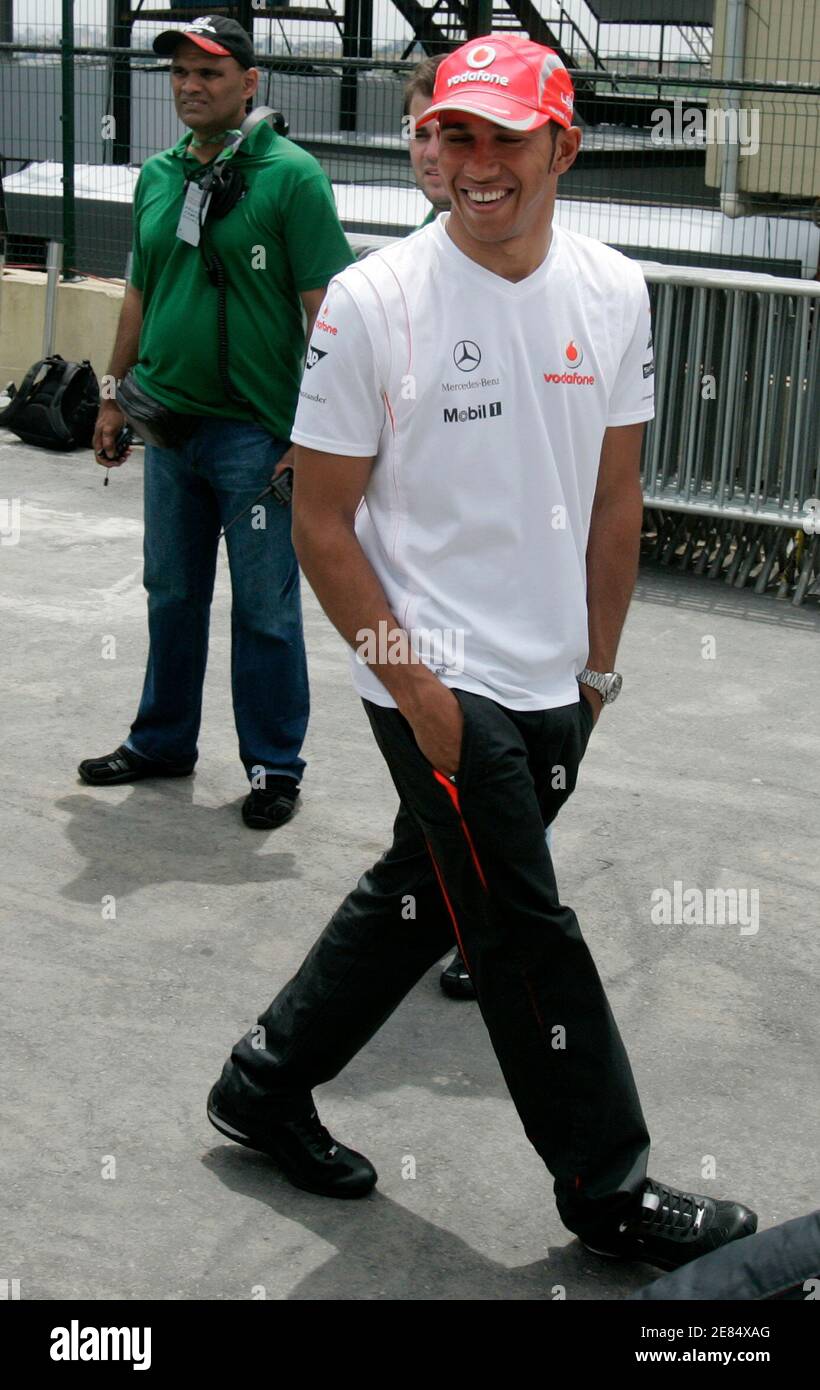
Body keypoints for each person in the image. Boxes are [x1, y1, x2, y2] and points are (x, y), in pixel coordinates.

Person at [207, 35, 757, 1270]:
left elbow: (616, 502)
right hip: (434, 676)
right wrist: (422, 695)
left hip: (559, 676)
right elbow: (319, 522)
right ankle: (608, 1190)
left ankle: (263, 1079)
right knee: (521, 927)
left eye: (504, 135)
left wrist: (599, 667)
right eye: (455, 134)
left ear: (562, 145)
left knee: (422, 895)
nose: (475, 162)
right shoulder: (376, 301)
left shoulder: (615, 290)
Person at [79, 16, 353, 829]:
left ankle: (274, 765)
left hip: (256, 435)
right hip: (168, 424)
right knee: (171, 591)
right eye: (180, 73)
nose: (191, 85)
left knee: (265, 607)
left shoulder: (291, 177)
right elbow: (140, 290)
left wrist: (317, 434)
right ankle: (163, 740)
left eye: (210, 71)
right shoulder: (158, 176)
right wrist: (112, 391)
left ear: (250, 81)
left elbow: (326, 314)